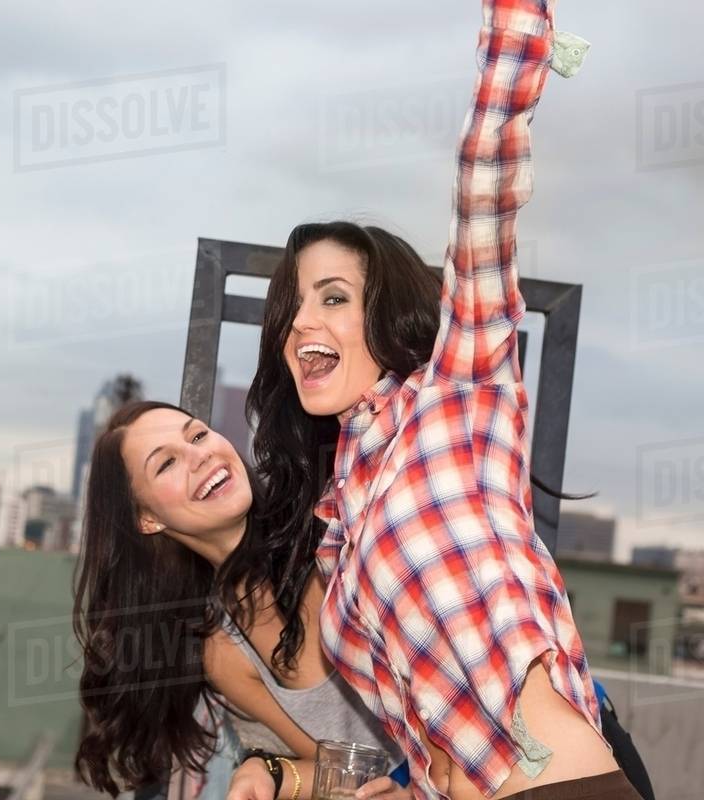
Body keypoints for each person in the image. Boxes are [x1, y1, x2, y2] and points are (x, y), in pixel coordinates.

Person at [240, 1, 641, 798]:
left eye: (331, 297)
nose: (300, 323)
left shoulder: (459, 398)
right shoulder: (337, 526)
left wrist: (515, 30)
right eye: (289, 306)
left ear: (385, 308)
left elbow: (485, 188)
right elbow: (425, 705)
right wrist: (413, 781)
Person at [73, 401, 407, 800]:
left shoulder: (330, 529)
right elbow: (334, 771)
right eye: (166, 464)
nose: (200, 455)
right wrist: (267, 771)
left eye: (198, 435)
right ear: (147, 518)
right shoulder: (223, 652)